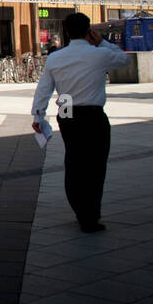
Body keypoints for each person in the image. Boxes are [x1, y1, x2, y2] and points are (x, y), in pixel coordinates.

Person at [31, 13, 130, 233]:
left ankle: (79, 208)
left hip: (67, 111)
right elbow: (125, 59)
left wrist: (38, 116)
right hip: (93, 113)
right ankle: (90, 214)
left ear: (66, 32)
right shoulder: (99, 54)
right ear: (89, 31)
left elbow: (44, 89)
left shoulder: (55, 57)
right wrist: (102, 41)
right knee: (95, 165)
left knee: (74, 162)